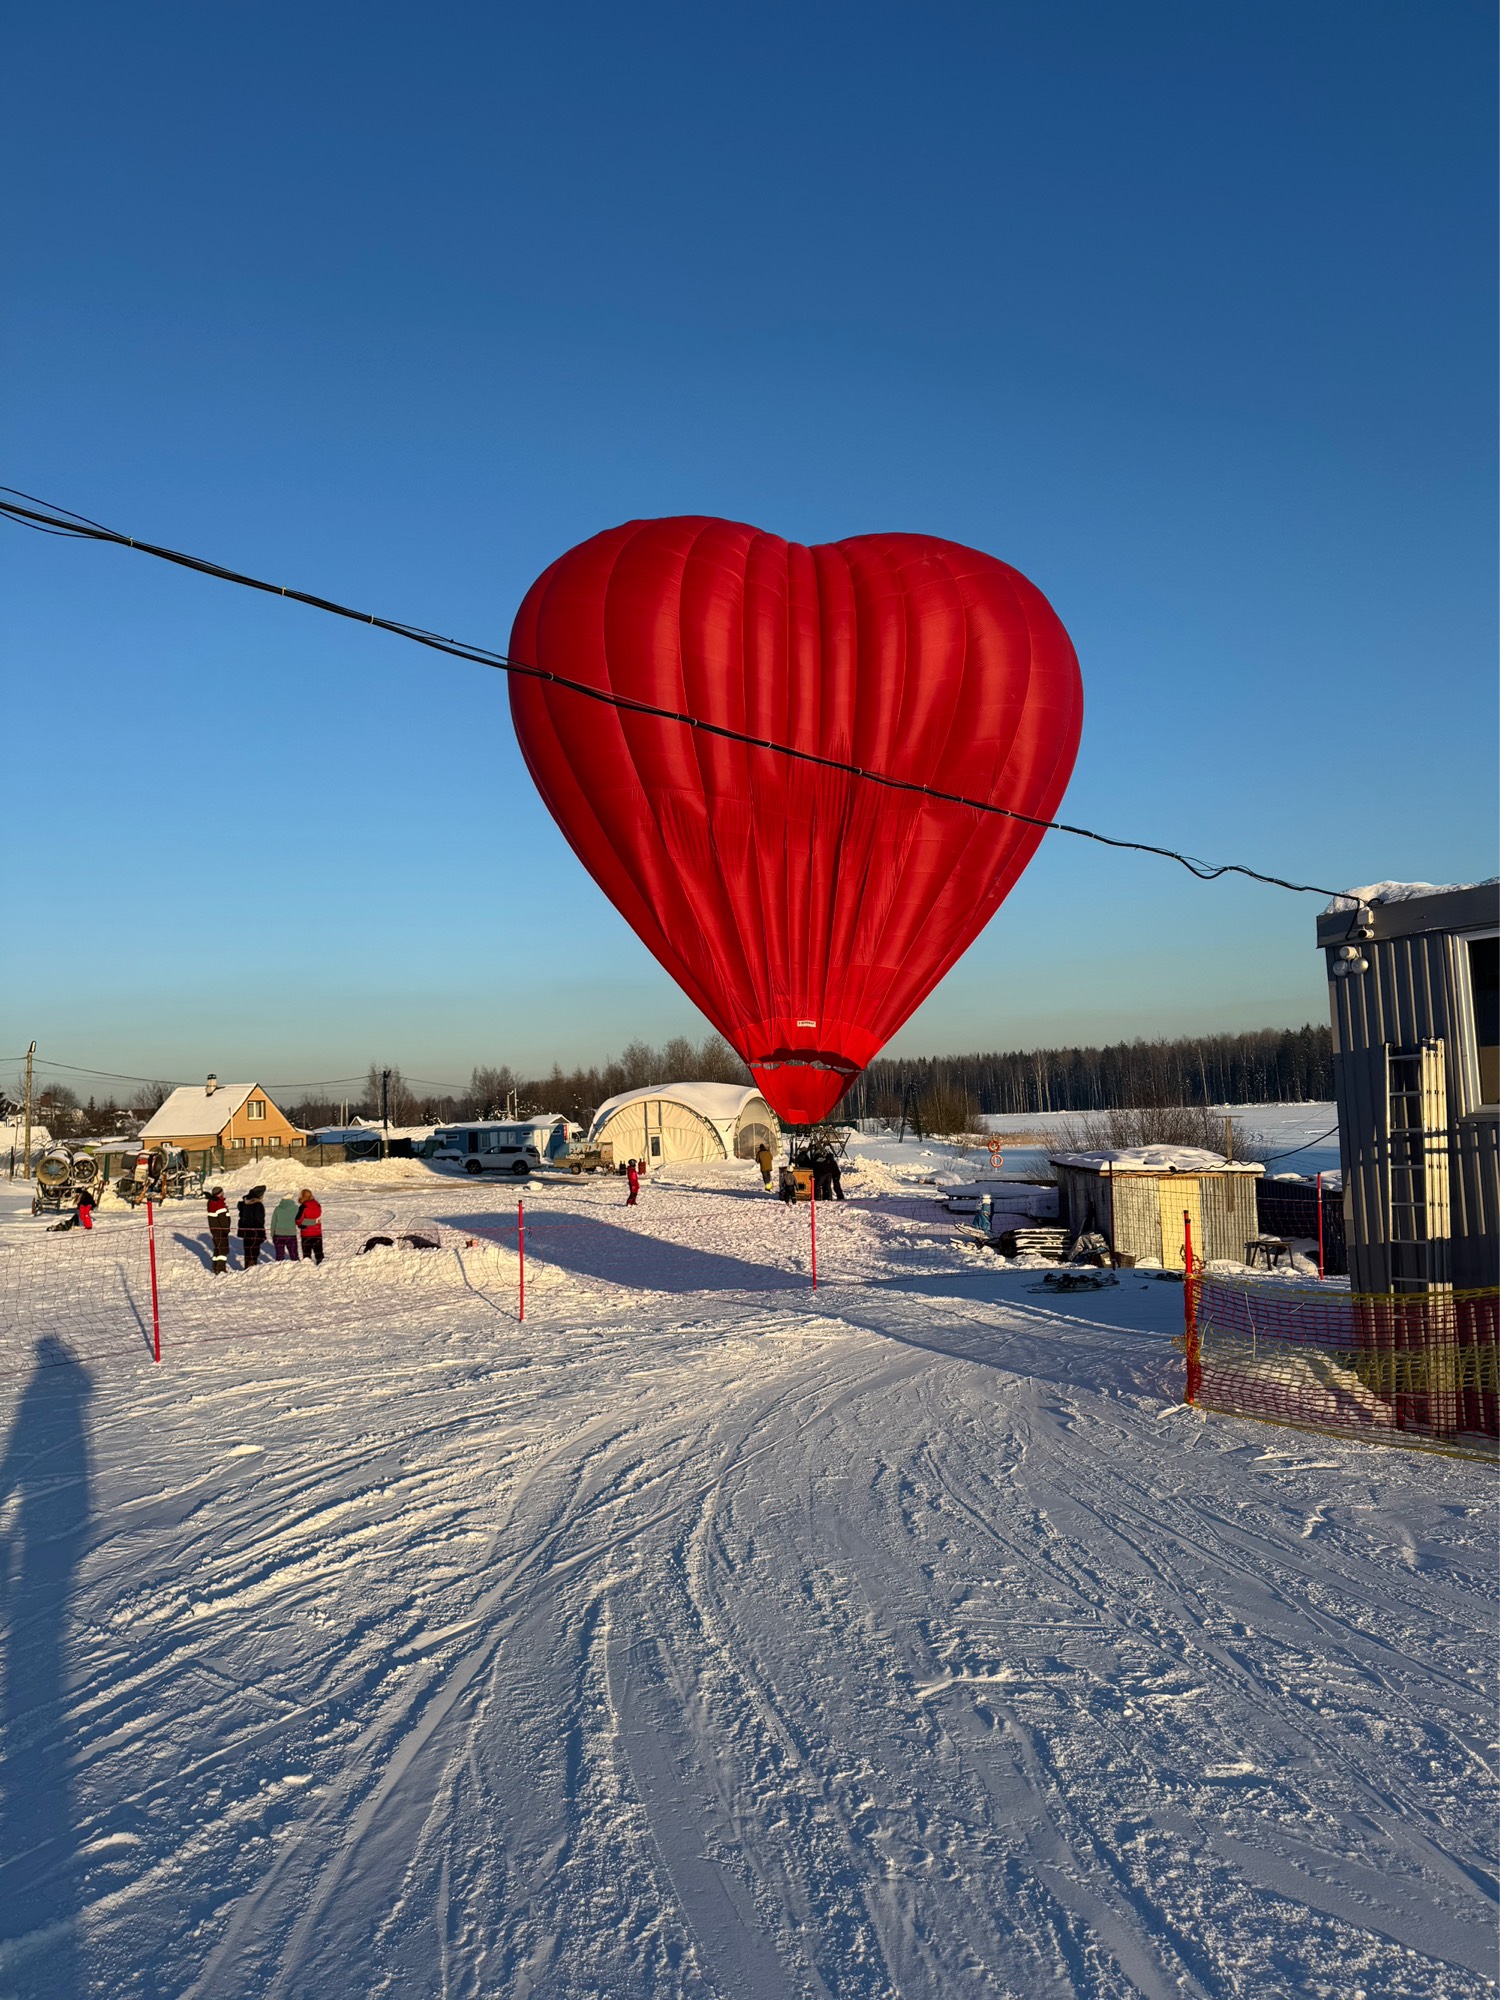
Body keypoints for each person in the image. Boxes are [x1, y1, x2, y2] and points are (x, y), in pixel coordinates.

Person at [237, 1185, 267, 1267]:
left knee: (247, 1251)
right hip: (255, 1232)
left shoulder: (244, 1204)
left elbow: (241, 1218)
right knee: (253, 1251)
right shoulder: (258, 1205)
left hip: (246, 1232)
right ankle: (251, 1268)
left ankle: (247, 1267)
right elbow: (259, 1220)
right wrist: (262, 1233)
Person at [206, 1185, 231, 1274]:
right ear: (220, 1193)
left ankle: (215, 1267)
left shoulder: (211, 1202)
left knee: (217, 1248)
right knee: (223, 1249)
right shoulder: (219, 1203)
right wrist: (226, 1230)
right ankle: (220, 1269)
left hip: (214, 1229)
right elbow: (222, 1219)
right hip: (221, 1230)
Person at [295, 1188, 324, 1264]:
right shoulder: (318, 1205)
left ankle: (308, 1269)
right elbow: (318, 1216)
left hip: (306, 1234)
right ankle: (322, 1267)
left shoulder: (303, 1206)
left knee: (307, 1255)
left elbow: (298, 1220)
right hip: (317, 1233)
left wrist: (301, 1225)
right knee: (319, 1253)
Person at [271, 1194, 301, 1262]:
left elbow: (273, 1223)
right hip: (291, 1234)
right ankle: (298, 1269)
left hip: (278, 1235)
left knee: (279, 1257)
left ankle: (279, 1270)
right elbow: (300, 1220)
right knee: (294, 1255)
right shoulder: (296, 1208)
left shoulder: (277, 1209)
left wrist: (273, 1235)